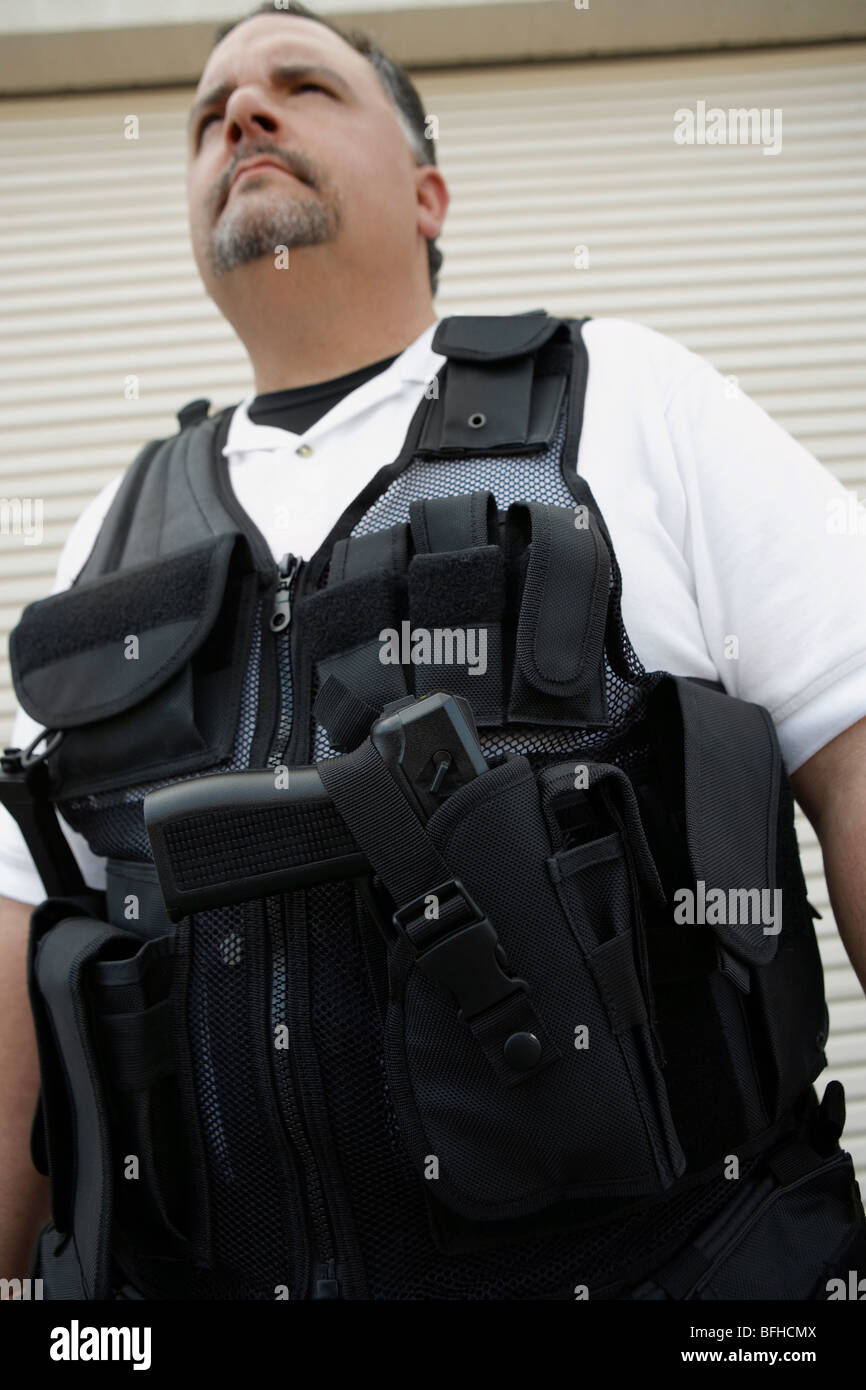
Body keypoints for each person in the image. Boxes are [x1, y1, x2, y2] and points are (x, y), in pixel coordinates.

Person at [1, 0, 865, 1297]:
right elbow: (23, 950)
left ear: (427, 192)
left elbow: (854, 757)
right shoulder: (111, 542)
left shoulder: (626, 400)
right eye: (205, 114)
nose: (241, 112)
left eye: (302, 84)